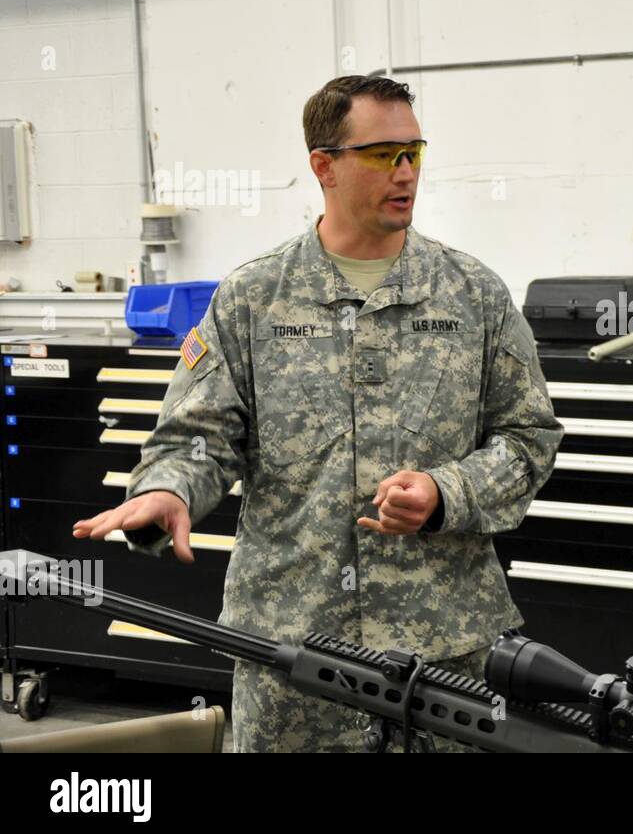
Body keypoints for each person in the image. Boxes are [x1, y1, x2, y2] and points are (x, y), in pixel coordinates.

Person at [74, 75, 562, 752]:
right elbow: (198, 435)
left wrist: (446, 492)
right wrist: (167, 489)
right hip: (292, 655)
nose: (405, 172)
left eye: (414, 152)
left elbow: (529, 439)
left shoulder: (473, 293)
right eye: (382, 154)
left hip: (442, 660)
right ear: (324, 166)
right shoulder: (253, 298)